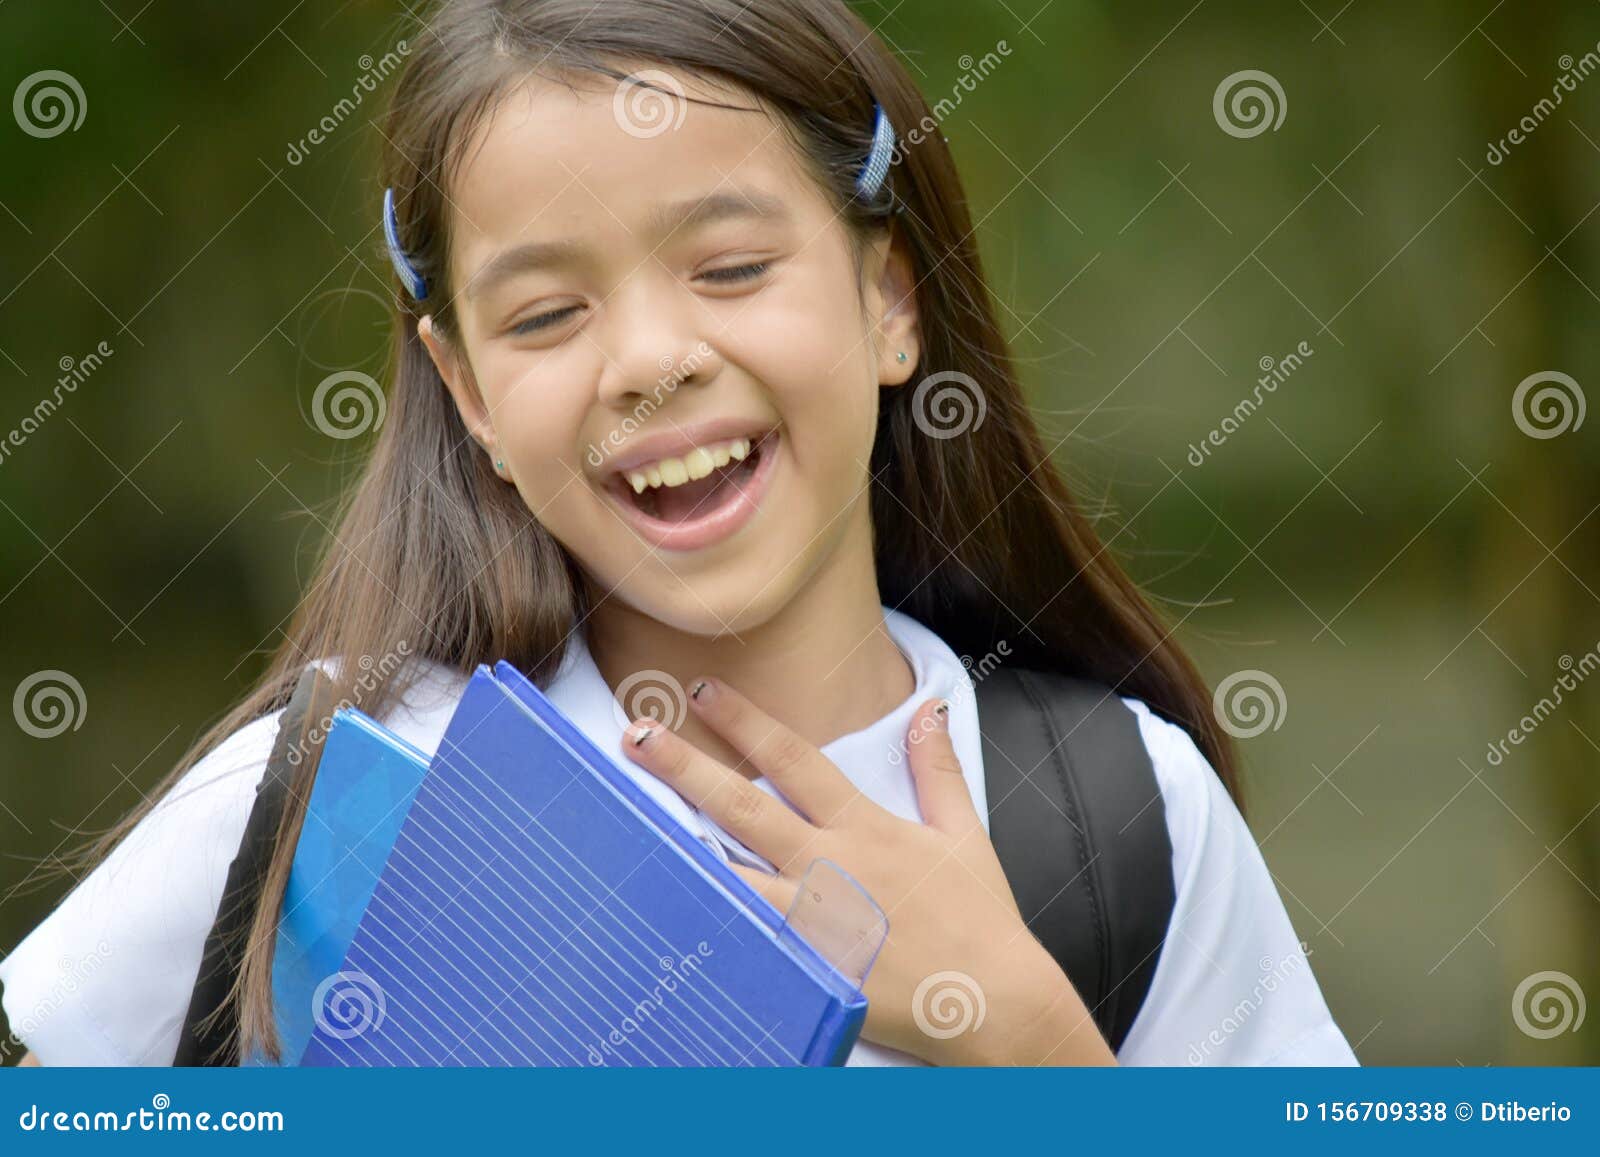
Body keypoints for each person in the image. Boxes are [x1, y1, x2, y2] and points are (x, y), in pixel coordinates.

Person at [0, 0, 1356, 1068]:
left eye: (729, 267)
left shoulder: (1117, 812)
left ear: (891, 300)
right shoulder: (329, 793)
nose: (649, 359)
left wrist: (1025, 1034)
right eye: (543, 315)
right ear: (467, 392)